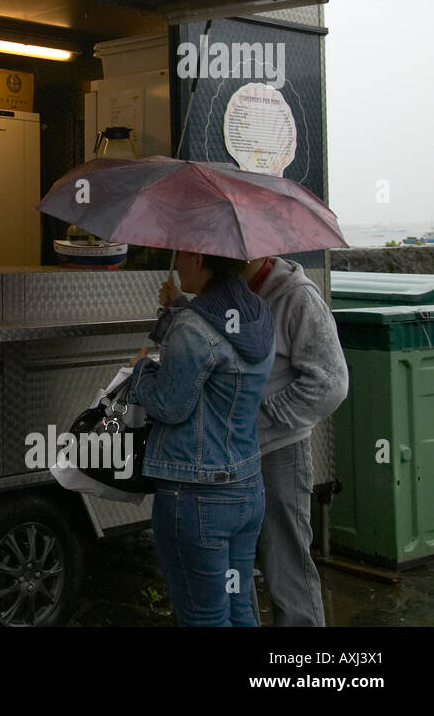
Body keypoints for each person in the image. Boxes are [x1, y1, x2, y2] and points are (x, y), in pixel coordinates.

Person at [161, 256, 348, 626]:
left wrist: (258, 418)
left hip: (279, 451)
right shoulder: (228, 295)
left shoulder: (297, 297)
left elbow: (330, 384)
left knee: (286, 566)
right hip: (228, 459)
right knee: (234, 575)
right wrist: (181, 308)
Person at [128, 250, 274, 626]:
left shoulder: (193, 325)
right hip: (246, 488)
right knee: (238, 608)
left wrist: (141, 371)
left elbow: (168, 405)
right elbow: (217, 340)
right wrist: (178, 306)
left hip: (196, 496)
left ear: (197, 257)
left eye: (181, 257)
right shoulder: (258, 313)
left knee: (203, 617)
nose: (176, 264)